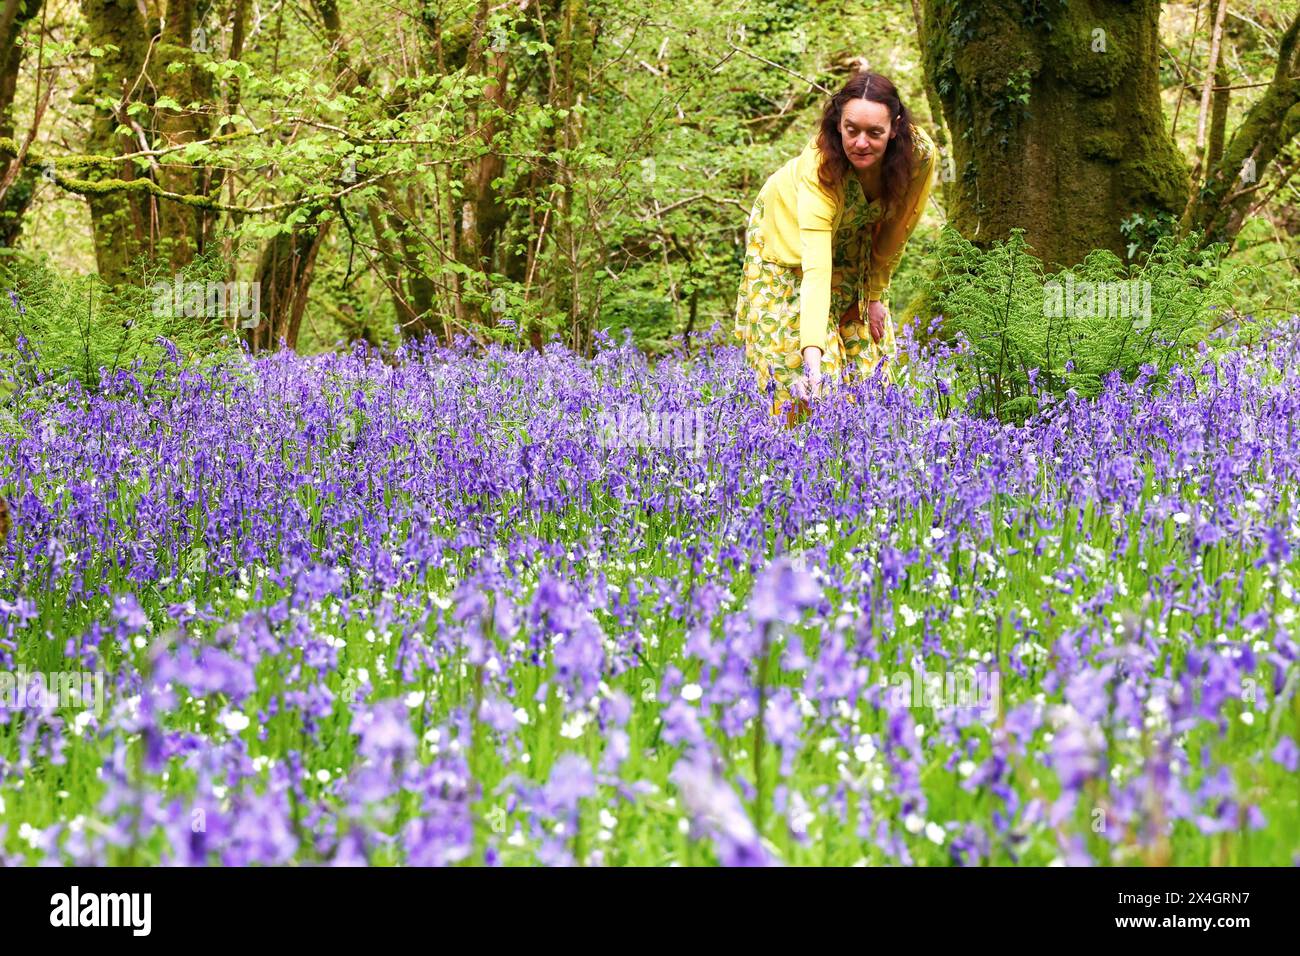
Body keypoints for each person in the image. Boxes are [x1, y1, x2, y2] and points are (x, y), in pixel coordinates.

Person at [733, 71, 936, 424]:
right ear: (837, 122)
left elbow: (897, 227)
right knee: (802, 377)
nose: (860, 143)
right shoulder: (820, 170)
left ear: (895, 127)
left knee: (868, 369)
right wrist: (812, 360)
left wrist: (874, 294)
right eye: (851, 129)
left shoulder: (918, 155)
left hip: (854, 239)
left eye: (875, 133)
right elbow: (815, 273)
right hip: (790, 248)